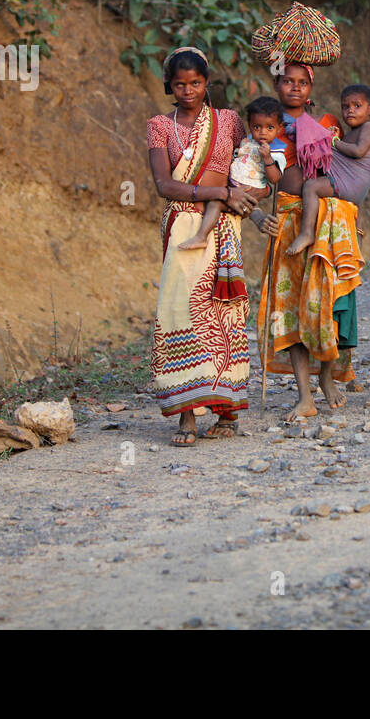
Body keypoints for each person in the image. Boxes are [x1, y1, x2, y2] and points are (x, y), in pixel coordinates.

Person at [146, 46, 266, 445]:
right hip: (181, 224)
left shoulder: (228, 121)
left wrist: (241, 194)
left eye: (195, 83)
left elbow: (251, 166)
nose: (188, 90)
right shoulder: (159, 126)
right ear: (169, 86)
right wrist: (215, 191)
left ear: (207, 83)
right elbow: (164, 185)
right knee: (180, 311)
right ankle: (187, 417)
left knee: (222, 314)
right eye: (180, 84)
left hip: (223, 229)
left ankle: (227, 411)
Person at [251, 62, 364, 421]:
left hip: (327, 224)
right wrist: (256, 216)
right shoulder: (265, 129)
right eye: (288, 81)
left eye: (302, 83)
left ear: (310, 88)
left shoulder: (329, 124)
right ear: (277, 84)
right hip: (286, 222)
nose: (295, 88)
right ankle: (304, 395)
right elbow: (247, 183)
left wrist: (352, 219)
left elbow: (347, 176)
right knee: (292, 310)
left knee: (326, 305)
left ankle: (327, 377)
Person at [178, 96, 284, 250]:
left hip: (246, 192)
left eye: (269, 128)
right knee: (219, 200)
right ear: (250, 125)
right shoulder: (247, 141)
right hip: (231, 186)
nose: (262, 132)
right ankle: (255, 215)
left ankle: (201, 237)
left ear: (279, 128)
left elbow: (274, 179)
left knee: (215, 202)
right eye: (257, 127)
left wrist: (267, 158)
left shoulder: (276, 152)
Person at [285, 84, 370, 255]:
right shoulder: (351, 132)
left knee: (311, 187)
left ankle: (307, 233)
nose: (350, 111)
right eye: (345, 107)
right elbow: (341, 155)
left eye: (357, 106)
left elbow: (358, 152)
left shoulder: (369, 128)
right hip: (350, 183)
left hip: (352, 183)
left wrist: (333, 141)